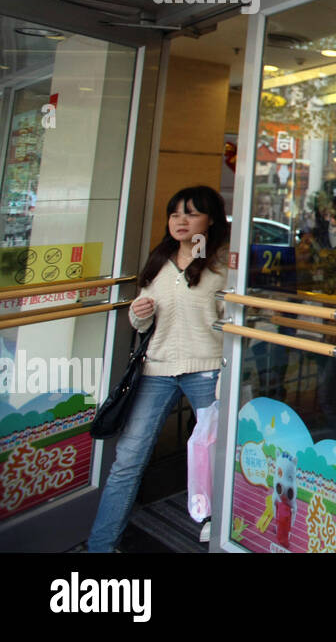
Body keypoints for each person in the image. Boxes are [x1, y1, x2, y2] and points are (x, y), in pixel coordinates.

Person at [86, 185, 229, 552]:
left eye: (191, 213)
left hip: (207, 370)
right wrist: (138, 316)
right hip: (157, 370)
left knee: (219, 455)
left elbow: (235, 321)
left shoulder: (221, 263)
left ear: (211, 220)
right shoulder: (158, 261)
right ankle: (101, 546)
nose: (181, 221)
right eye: (175, 213)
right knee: (127, 461)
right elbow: (143, 323)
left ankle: (219, 528)